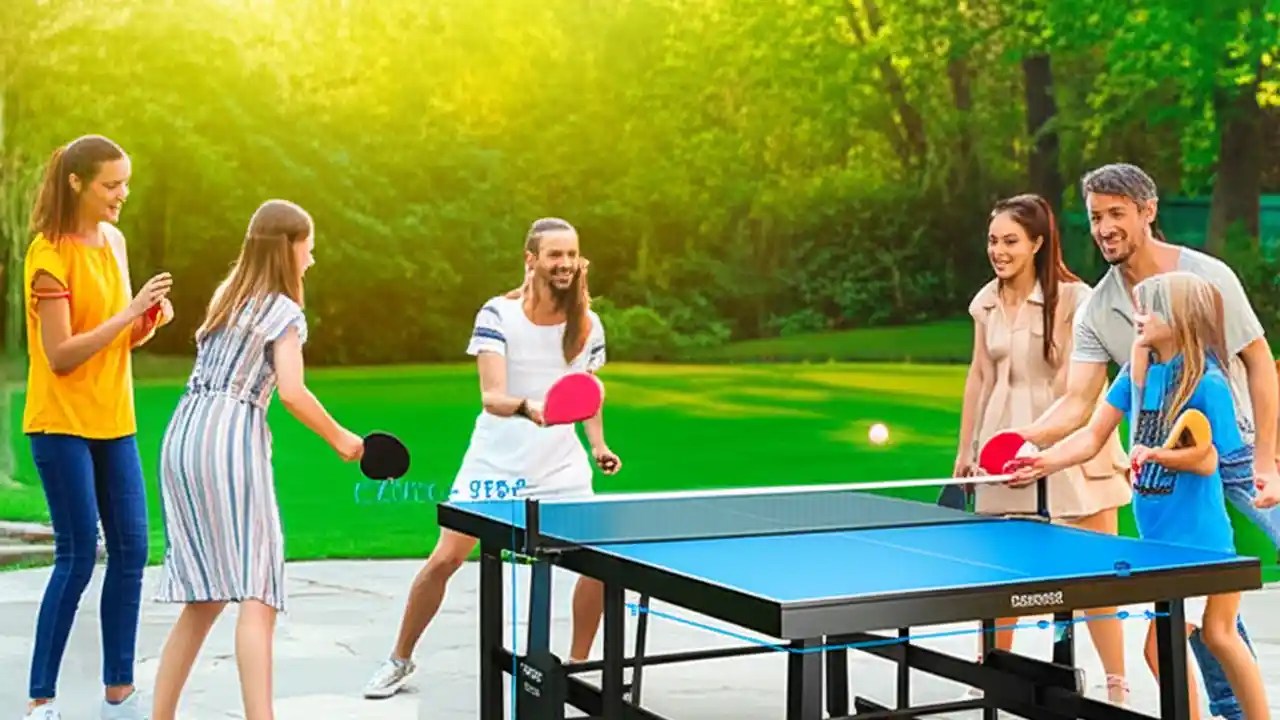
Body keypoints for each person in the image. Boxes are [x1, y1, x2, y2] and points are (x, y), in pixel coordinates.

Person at [1010, 162, 1280, 720]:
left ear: (1147, 212)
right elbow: (1083, 405)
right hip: (1173, 483)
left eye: (1116, 214)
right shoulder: (1100, 309)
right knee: (1199, 619)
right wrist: (1025, 444)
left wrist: (1268, 462)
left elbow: (1258, 364)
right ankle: (1232, 711)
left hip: (1242, 445)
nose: (1104, 227)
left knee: (1212, 613)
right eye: (1094, 217)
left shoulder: (1202, 281)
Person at [362, 217, 622, 699]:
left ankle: (582, 664)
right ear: (531, 259)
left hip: (561, 467)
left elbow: (587, 392)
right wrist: (530, 407)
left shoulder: (587, 322)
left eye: (571, 255)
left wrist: (599, 446)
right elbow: (491, 396)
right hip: (494, 466)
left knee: (598, 563)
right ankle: (398, 659)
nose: (564, 264)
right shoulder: (498, 315)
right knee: (444, 560)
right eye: (554, 255)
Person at [147, 199, 366, 720]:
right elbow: (291, 392)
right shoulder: (283, 312)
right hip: (228, 437)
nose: (311, 260)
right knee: (256, 586)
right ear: (287, 247)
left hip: (182, 435)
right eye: (307, 249)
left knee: (203, 596)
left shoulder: (228, 302)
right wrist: (341, 438)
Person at [954, 194, 1132, 703]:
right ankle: (989, 668)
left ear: (1037, 243)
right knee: (1000, 571)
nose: (999, 250)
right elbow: (980, 375)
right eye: (993, 240)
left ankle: (1116, 681)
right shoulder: (985, 301)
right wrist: (967, 447)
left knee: (1098, 574)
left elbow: (1086, 388)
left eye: (1010, 240)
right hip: (1001, 446)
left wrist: (1048, 439)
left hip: (1073, 443)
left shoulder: (1078, 299)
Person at [20, 135, 175, 720]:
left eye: (125, 183)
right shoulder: (48, 254)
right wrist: (129, 312)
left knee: (132, 550)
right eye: (112, 185)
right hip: (61, 424)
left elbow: (120, 337)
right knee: (79, 555)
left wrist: (147, 321)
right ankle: (42, 700)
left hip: (115, 421)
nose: (122, 195)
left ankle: (119, 694)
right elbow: (61, 354)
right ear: (77, 183)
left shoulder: (114, 242)